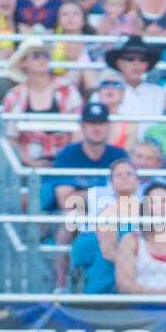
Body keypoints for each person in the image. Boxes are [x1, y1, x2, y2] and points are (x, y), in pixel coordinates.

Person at [52, 101, 131, 288]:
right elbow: (66, 200)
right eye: (91, 123)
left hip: (116, 211)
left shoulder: (118, 154)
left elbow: (129, 189)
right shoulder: (68, 154)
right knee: (69, 219)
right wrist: (103, 192)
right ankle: (61, 283)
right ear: (82, 126)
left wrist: (85, 193)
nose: (97, 129)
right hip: (86, 214)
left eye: (101, 123)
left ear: (108, 126)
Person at [1, 37, 83, 170]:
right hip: (27, 168)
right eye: (36, 55)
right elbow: (11, 139)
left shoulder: (68, 89)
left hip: (66, 165)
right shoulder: (14, 96)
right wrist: (32, 163)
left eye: (45, 55)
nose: (42, 59)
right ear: (23, 63)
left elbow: (78, 132)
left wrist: (66, 162)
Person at [71, 159, 140, 294]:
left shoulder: (148, 210)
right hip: (118, 265)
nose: (124, 178)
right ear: (112, 183)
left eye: (129, 174)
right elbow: (108, 252)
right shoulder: (107, 213)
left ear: (137, 181)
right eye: (119, 175)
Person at [106, 35, 166, 119]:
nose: (136, 63)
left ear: (147, 65)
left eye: (142, 59)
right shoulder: (106, 91)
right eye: (130, 58)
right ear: (119, 63)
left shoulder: (159, 93)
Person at [95, 70, 136, 149]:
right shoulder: (86, 122)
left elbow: (126, 159)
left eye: (116, 84)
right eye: (105, 84)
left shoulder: (131, 125)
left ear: (122, 94)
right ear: (98, 92)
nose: (110, 88)